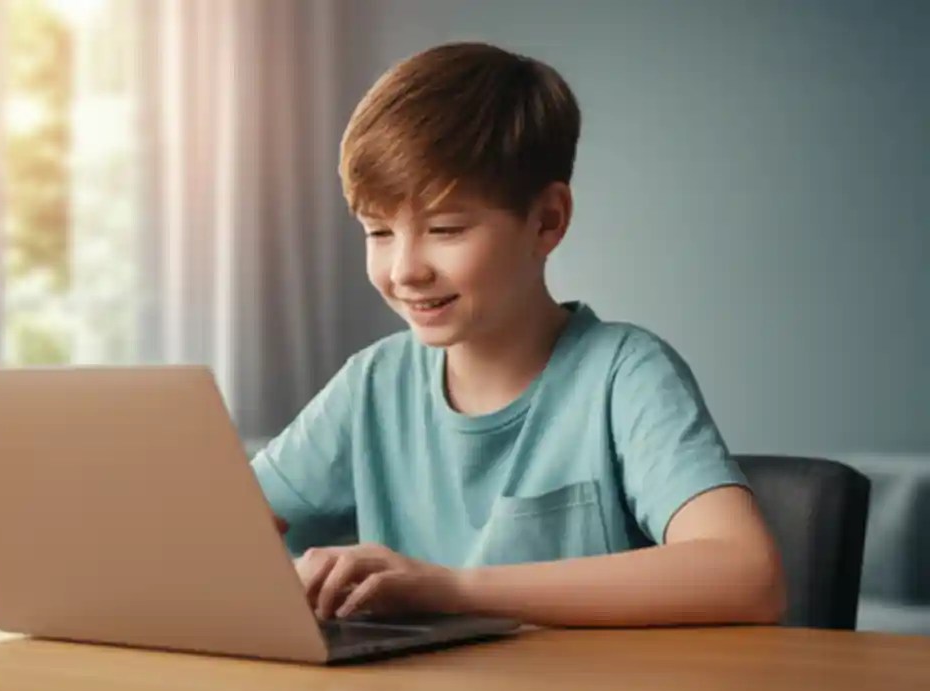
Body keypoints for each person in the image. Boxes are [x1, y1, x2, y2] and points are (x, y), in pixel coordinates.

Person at [252, 42, 786, 627]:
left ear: (548, 220)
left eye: (446, 229)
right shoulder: (373, 384)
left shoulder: (624, 374)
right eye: (378, 232)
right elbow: (215, 530)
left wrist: (451, 589)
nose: (405, 269)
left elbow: (747, 575)